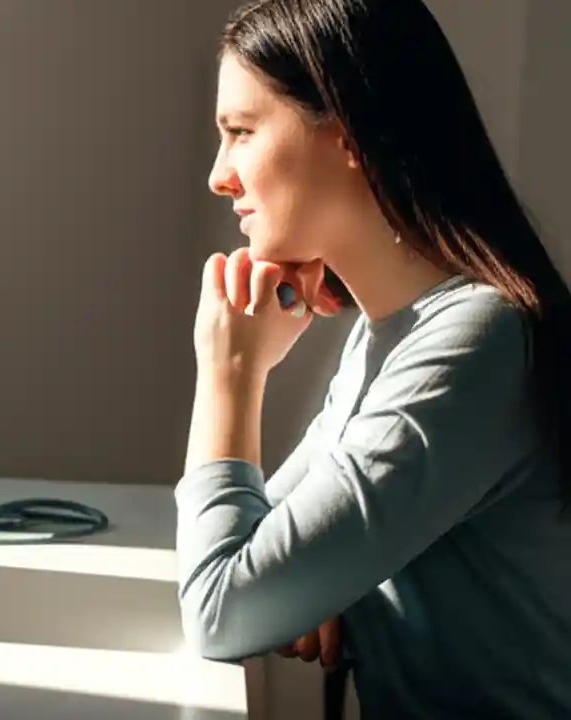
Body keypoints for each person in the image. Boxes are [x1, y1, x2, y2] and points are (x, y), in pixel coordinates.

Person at [174, 0, 571, 716]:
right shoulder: (389, 336)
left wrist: (231, 373)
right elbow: (262, 561)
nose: (219, 176)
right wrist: (324, 577)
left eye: (239, 133)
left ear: (350, 134)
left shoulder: (477, 343)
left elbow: (222, 607)